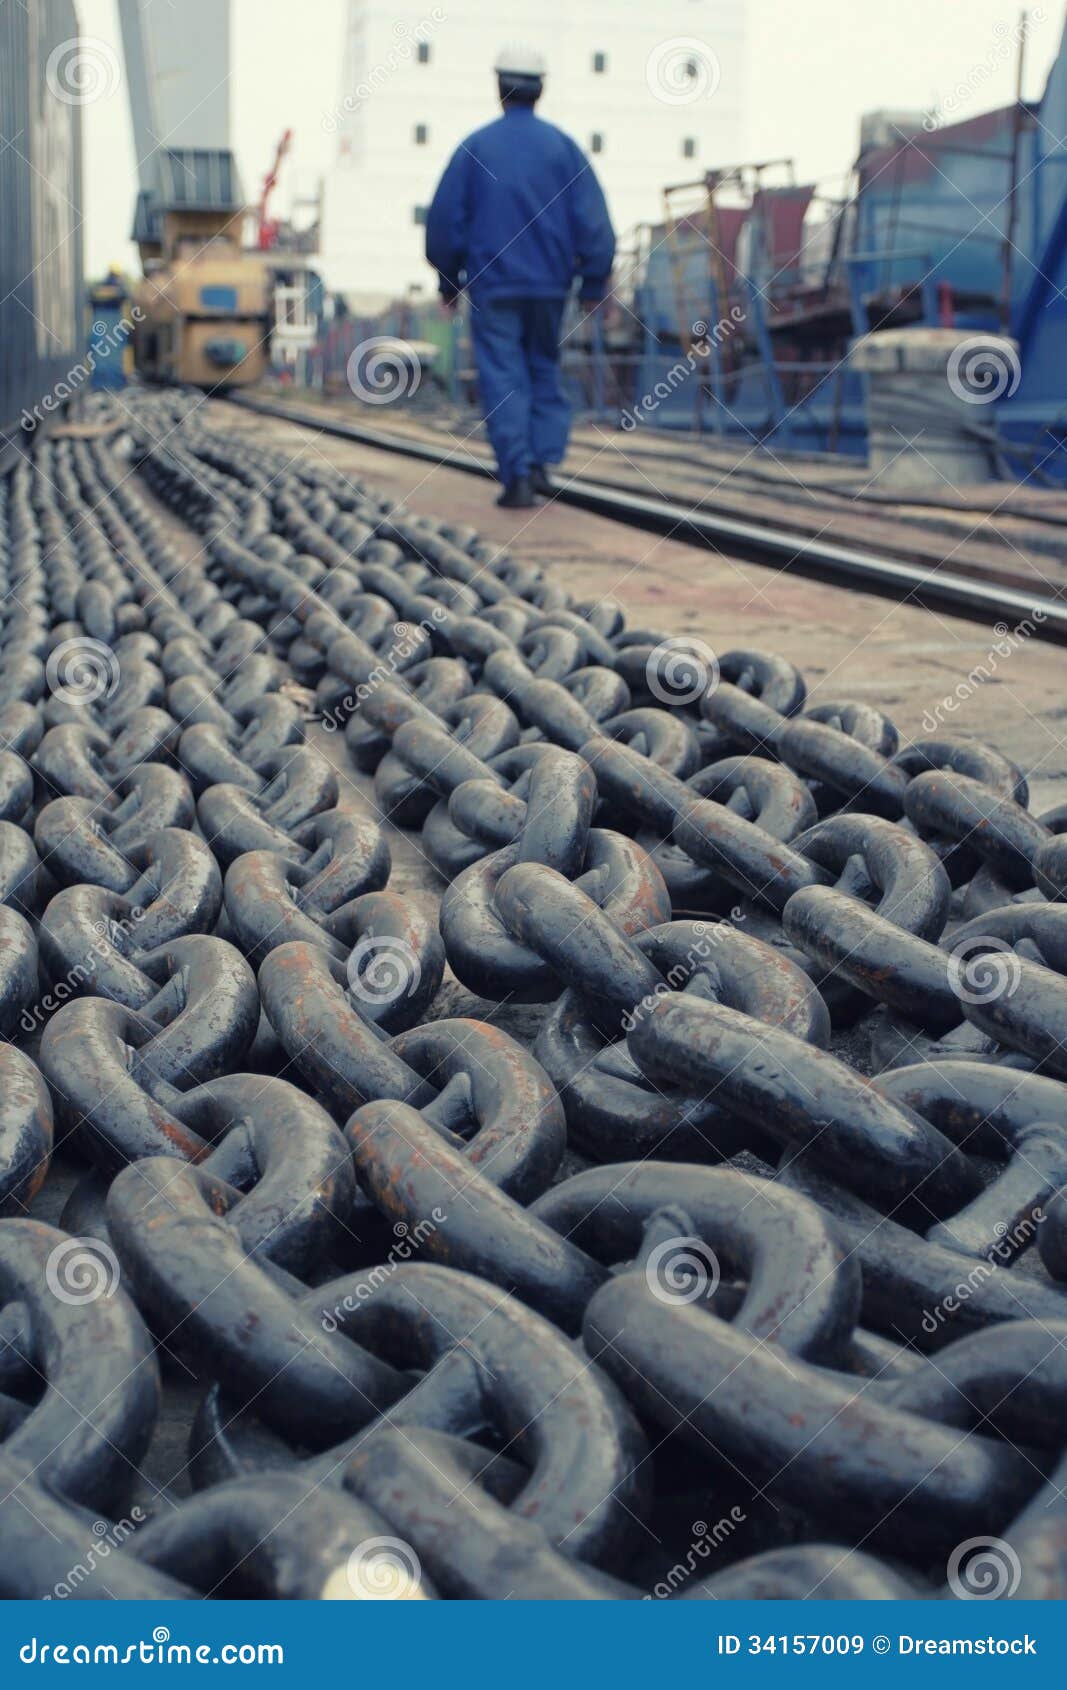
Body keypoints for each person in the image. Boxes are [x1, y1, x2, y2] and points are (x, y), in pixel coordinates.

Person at [425, 45, 616, 508]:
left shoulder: (475, 148)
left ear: (499, 87)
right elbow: (594, 221)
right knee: (542, 368)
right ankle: (541, 461)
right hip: (551, 286)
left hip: (494, 286)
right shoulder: (564, 150)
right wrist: (593, 283)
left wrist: (449, 281)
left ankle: (517, 474)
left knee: (502, 373)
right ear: (540, 89)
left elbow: (446, 221)